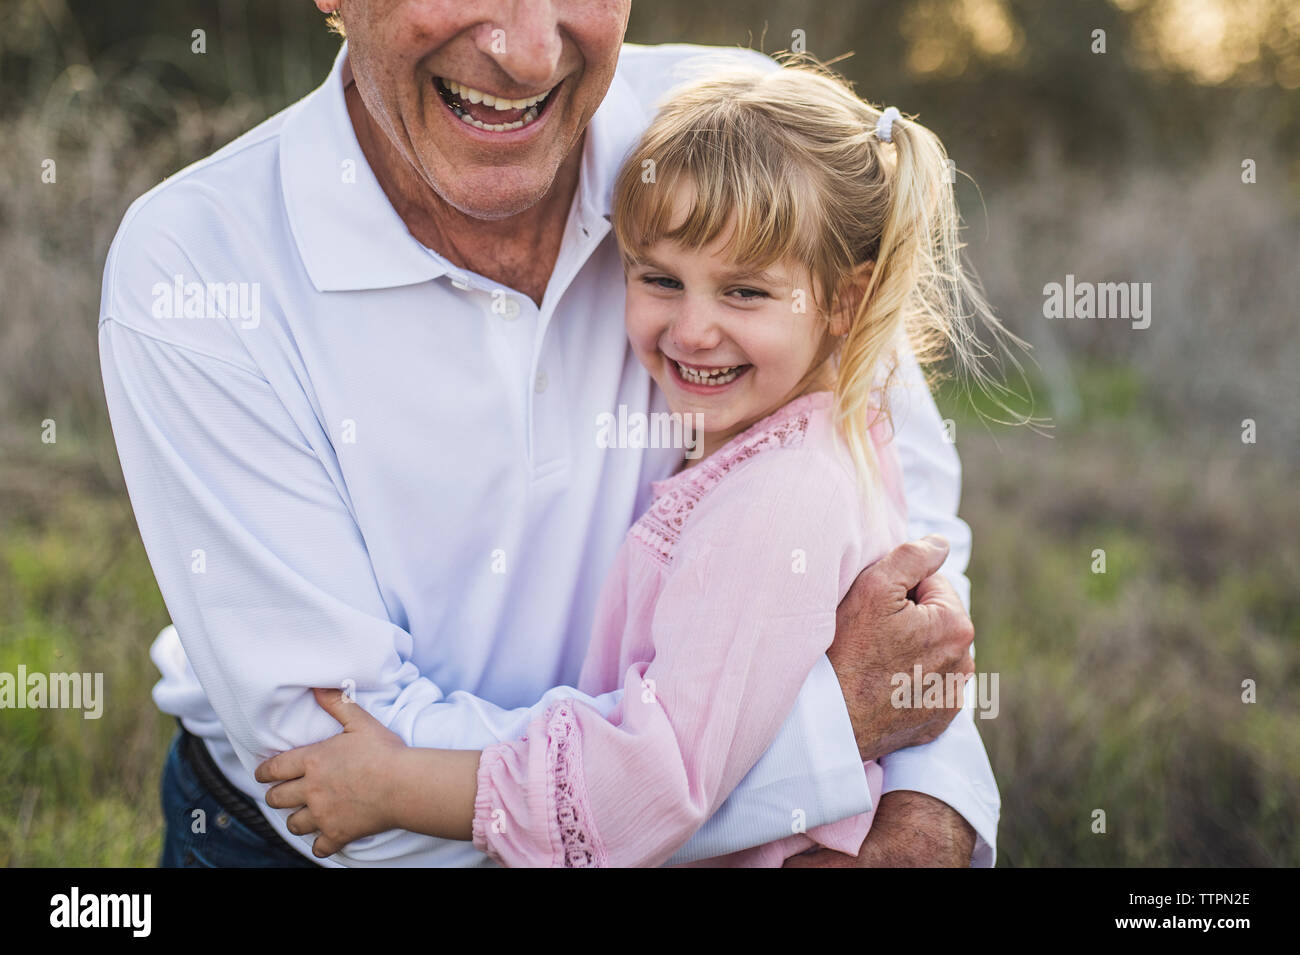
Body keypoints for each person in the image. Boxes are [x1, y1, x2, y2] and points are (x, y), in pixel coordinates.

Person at [99, 0, 997, 868]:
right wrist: (823, 740)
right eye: (655, 277)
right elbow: (346, 787)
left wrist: (925, 801)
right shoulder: (195, 270)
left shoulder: (735, 140)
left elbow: (905, 553)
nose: (529, 52)